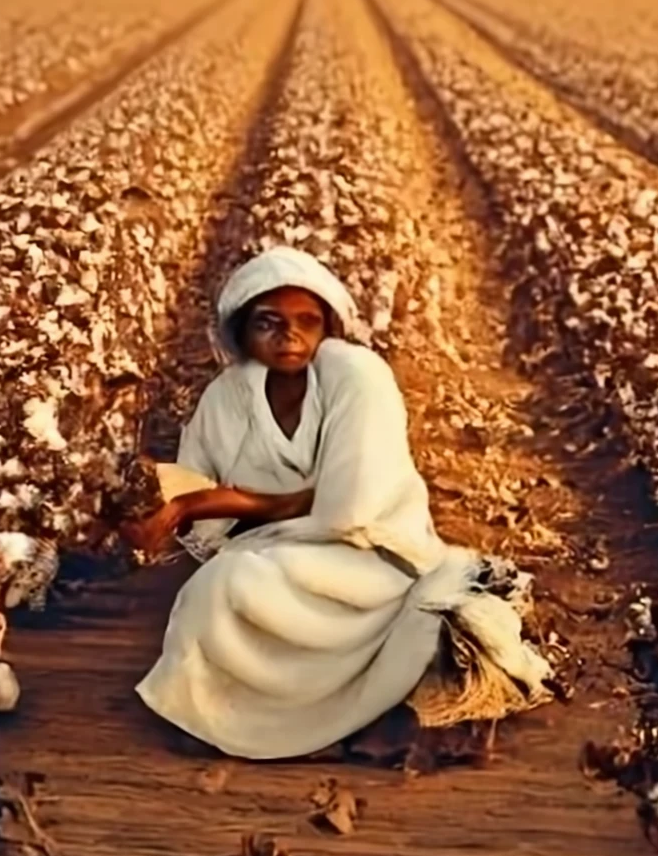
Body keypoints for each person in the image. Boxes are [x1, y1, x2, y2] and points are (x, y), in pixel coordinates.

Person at [127, 246, 552, 760]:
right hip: (271, 548)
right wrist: (162, 505)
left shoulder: (357, 375)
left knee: (230, 581)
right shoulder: (225, 398)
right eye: (269, 322)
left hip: (370, 552)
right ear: (240, 331)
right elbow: (198, 494)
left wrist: (214, 502)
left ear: (329, 326)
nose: (289, 335)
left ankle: (307, 718)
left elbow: (347, 507)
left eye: (307, 321)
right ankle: (232, 716)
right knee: (215, 591)